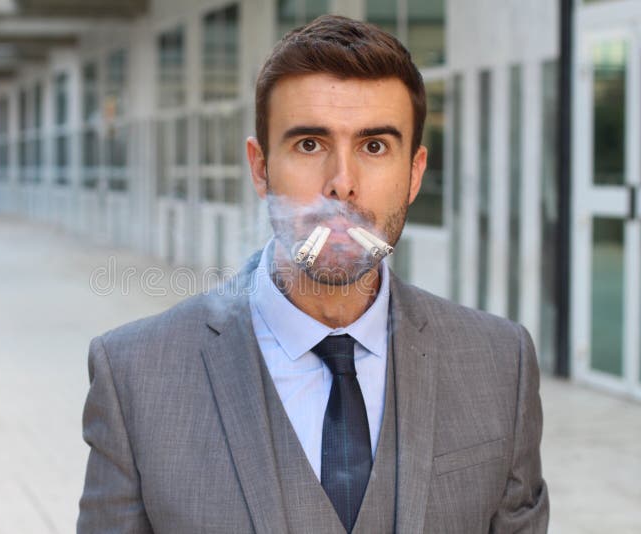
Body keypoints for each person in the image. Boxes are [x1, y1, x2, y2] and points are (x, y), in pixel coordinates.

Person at [77, 15, 549, 534]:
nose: (342, 184)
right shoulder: (135, 377)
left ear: (414, 173)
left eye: (374, 146)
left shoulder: (502, 365)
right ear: (261, 168)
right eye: (309, 144)